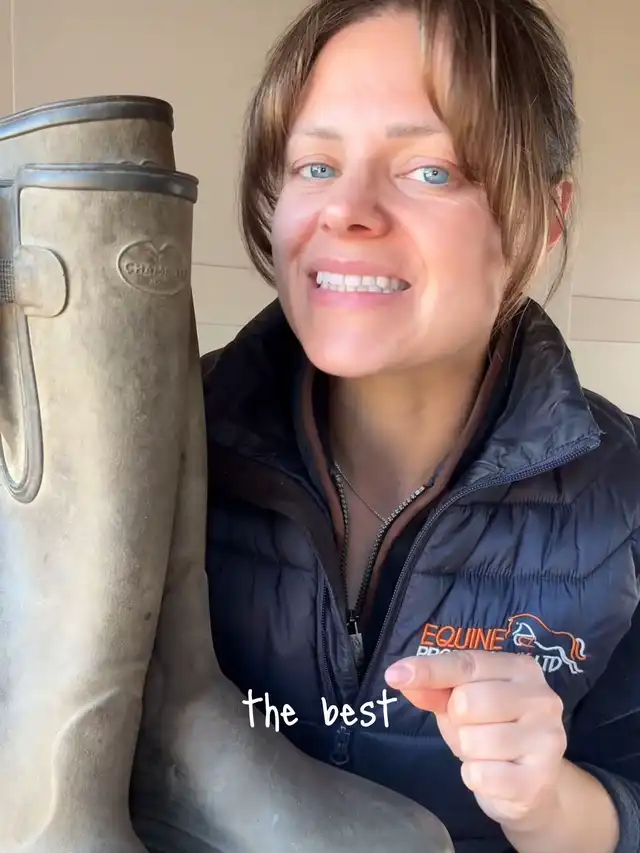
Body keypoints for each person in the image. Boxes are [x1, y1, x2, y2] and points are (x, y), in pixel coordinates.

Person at [200, 1, 640, 851]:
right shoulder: (154, 444)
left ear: (544, 219)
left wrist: (550, 803)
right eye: (316, 165)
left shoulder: (625, 495)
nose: (347, 210)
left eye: (430, 170)